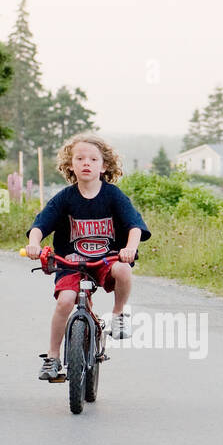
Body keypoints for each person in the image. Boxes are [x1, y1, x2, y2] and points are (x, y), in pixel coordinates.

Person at [24, 133, 150, 381]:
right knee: (65, 301)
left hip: (106, 260)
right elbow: (41, 224)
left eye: (93, 159)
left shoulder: (113, 195)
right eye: (79, 158)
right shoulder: (65, 198)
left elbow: (134, 226)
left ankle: (118, 314)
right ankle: (52, 357)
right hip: (71, 262)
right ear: (70, 165)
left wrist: (130, 248)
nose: (86, 163)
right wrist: (33, 243)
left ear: (103, 166)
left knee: (124, 270)